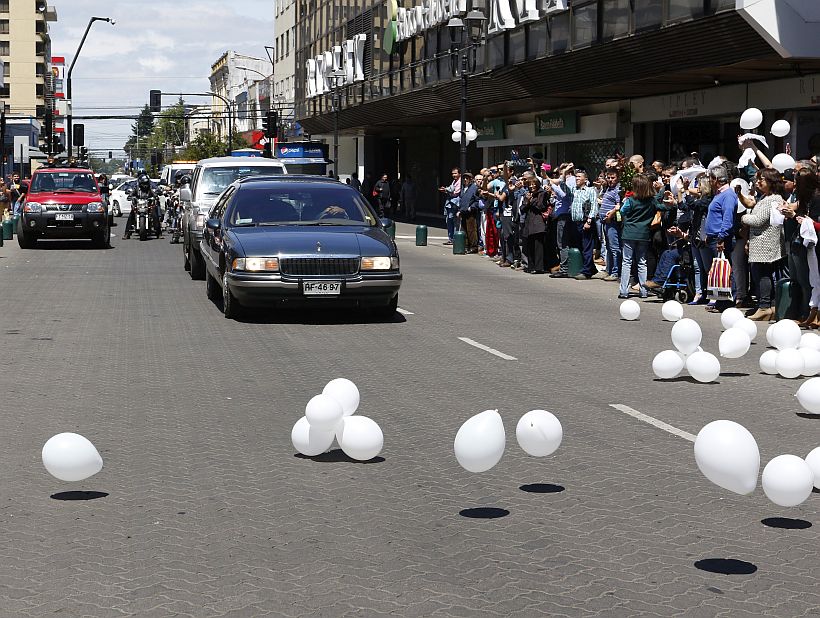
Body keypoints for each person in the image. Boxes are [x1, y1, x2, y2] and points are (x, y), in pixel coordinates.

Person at [614, 173, 674, 299]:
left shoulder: (631, 200)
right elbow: (664, 207)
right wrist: (671, 202)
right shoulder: (651, 201)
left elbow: (623, 211)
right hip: (644, 234)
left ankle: (624, 290)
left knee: (626, 262)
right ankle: (643, 290)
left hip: (629, 233)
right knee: (642, 262)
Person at [741, 168, 785, 321]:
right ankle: (770, 306)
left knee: (762, 275)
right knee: (763, 274)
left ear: (772, 182)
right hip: (761, 242)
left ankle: (765, 306)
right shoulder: (766, 198)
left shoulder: (772, 199)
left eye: (762, 179)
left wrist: (744, 218)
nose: (758, 182)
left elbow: (758, 220)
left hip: (765, 243)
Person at [519, 177, 551, 273]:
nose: (531, 186)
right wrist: (527, 201)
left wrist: (531, 200)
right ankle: (531, 266)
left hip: (538, 223)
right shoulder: (528, 194)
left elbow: (541, 206)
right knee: (530, 245)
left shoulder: (542, 193)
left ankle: (539, 267)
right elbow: (522, 208)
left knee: (538, 246)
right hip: (529, 223)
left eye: (533, 184)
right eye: (529, 184)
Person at [123, 173, 161, 239]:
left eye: (146, 183)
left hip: (147, 206)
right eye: (143, 183)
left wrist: (156, 196)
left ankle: (158, 232)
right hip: (138, 205)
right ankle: (127, 233)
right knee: (131, 216)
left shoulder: (149, 189)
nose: (145, 185)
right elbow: (131, 194)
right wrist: (130, 196)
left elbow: (154, 193)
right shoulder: (137, 189)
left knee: (155, 215)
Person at [457, 172, 480, 253]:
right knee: (464, 229)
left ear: (471, 180)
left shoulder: (474, 188)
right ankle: (466, 245)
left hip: (470, 212)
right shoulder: (463, 188)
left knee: (471, 230)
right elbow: (461, 200)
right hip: (463, 211)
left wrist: (471, 207)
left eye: (467, 178)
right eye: (464, 178)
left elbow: (477, 201)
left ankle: (473, 247)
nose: (465, 180)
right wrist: (459, 210)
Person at [439, 168, 461, 245]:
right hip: (450, 203)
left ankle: (454, 238)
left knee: (454, 221)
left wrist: (447, 190)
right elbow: (451, 191)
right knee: (449, 220)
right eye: (452, 174)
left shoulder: (460, 181)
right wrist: (446, 190)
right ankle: (451, 238)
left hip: (454, 204)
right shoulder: (454, 181)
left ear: (459, 174)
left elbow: (455, 193)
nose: (454, 175)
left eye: (455, 173)